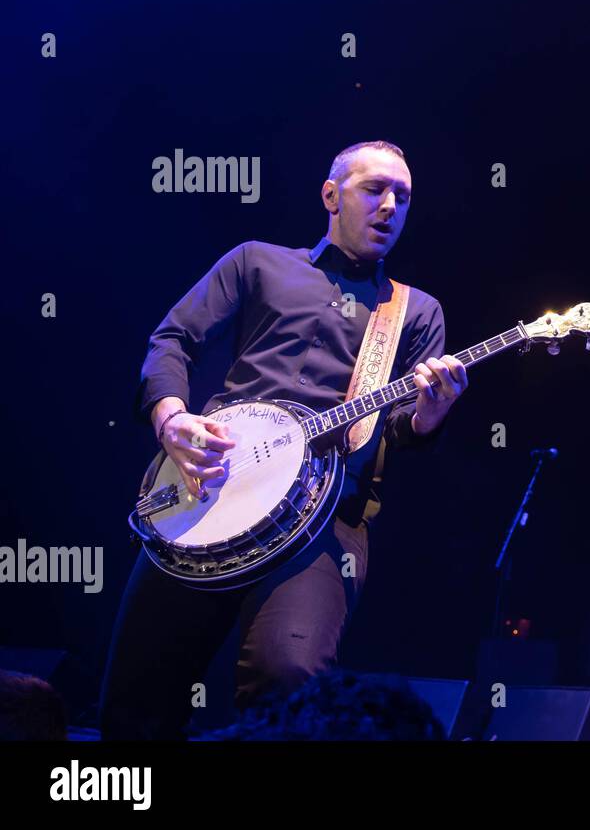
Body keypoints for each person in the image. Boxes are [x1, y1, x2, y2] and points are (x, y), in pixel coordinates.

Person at [100, 140, 467, 739]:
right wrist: (172, 420)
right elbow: (173, 339)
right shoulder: (257, 262)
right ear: (330, 195)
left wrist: (431, 412)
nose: (390, 207)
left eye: (403, 197)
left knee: (290, 679)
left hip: (323, 522)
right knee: (135, 696)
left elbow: (402, 429)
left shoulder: (415, 312)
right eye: (374, 189)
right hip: (212, 488)